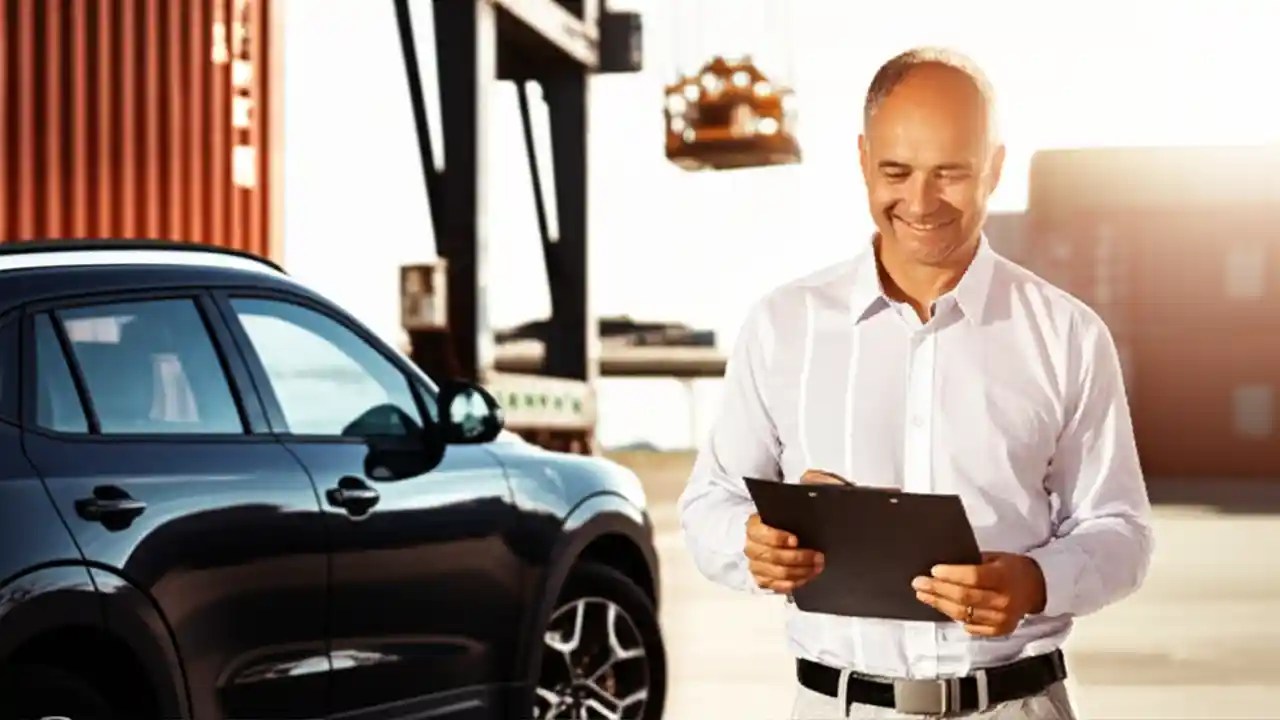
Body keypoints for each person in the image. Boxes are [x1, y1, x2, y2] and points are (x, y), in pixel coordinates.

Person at [677, 47, 1154, 719]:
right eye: (896, 171)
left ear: (993, 166)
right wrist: (753, 544)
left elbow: (1122, 531)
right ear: (864, 158)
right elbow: (707, 507)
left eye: (951, 173)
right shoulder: (784, 326)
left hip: (1013, 704)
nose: (921, 202)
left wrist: (1036, 581)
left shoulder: (1066, 334)